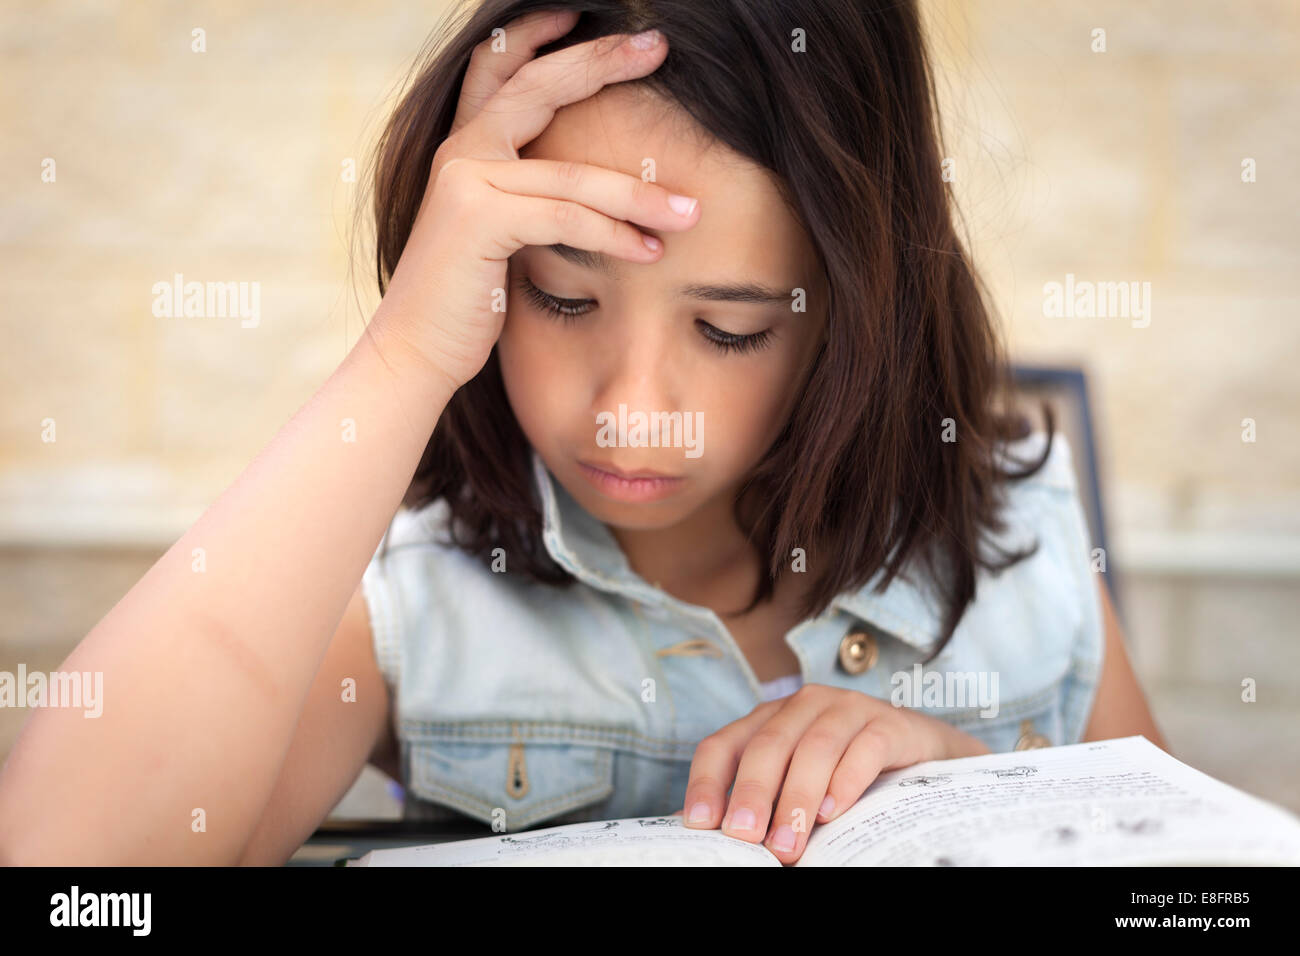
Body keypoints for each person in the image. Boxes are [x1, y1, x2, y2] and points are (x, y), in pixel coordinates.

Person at [0, 1, 1165, 867]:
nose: (628, 407)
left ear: (853, 317)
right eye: (561, 298)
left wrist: (972, 804)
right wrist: (403, 353)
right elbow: (70, 871)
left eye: (726, 326)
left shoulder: (1028, 544)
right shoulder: (418, 598)